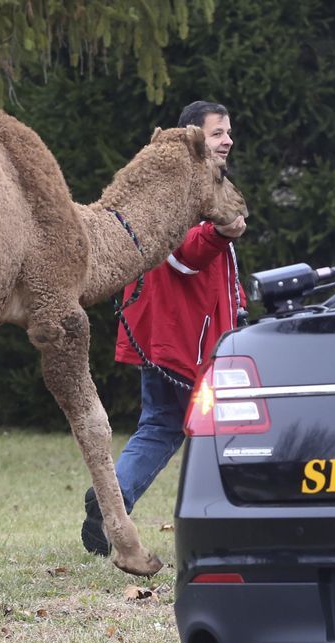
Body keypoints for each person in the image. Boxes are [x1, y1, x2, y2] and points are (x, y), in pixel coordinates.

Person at [81, 100, 248, 555]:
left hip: (173, 334)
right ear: (193, 138)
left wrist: (237, 303)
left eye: (228, 132)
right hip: (183, 338)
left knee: (161, 424)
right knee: (225, 429)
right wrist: (219, 234)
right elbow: (184, 252)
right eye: (217, 133)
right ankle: (228, 524)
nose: (227, 140)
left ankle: (113, 499)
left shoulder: (196, 182)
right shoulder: (180, 185)